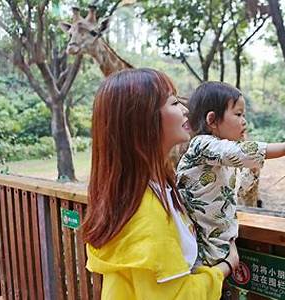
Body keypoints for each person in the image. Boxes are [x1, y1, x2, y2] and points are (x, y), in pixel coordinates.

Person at [83, 69, 238, 299]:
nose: (185, 110)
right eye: (174, 103)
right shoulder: (146, 214)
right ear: (143, 120)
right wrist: (225, 266)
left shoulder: (147, 189)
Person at [177, 81, 285, 267]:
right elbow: (238, 153)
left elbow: (238, 186)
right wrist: (283, 148)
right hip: (196, 248)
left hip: (217, 246)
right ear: (212, 120)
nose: (244, 121)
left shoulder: (225, 160)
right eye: (238, 114)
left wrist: (252, 170)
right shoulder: (201, 145)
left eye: (244, 115)